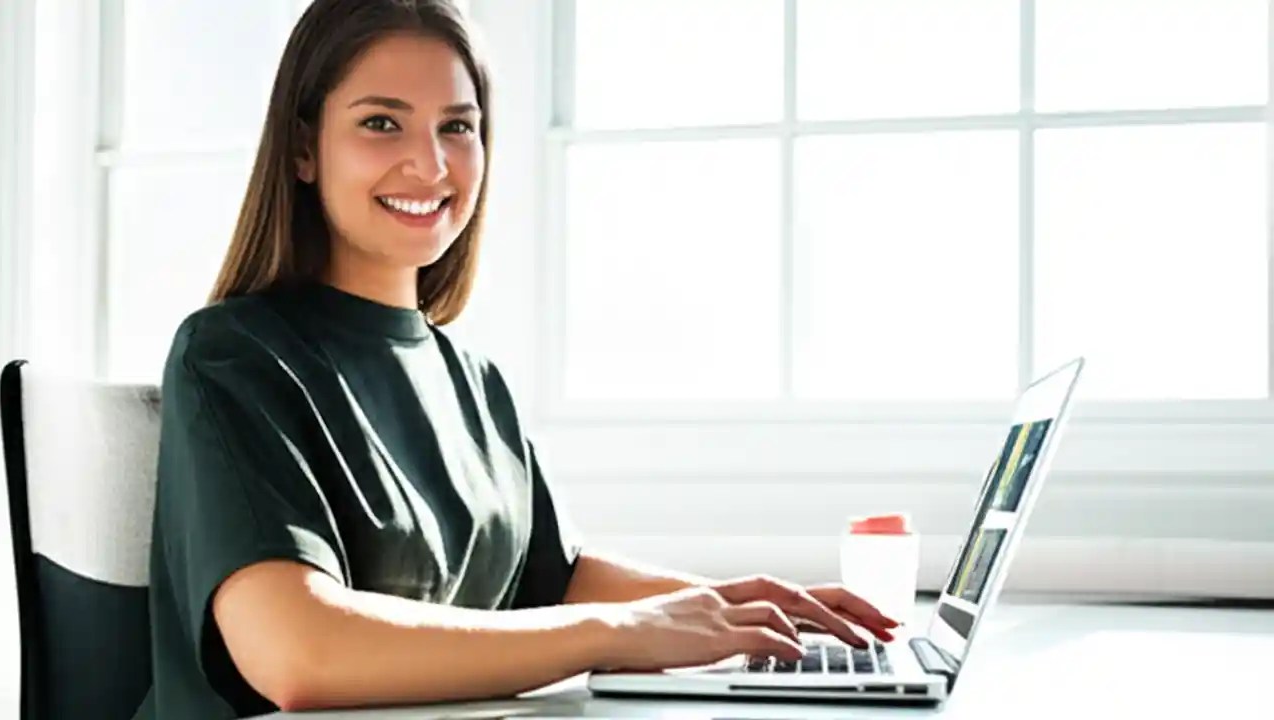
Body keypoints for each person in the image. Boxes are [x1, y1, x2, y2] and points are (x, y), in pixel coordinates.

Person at [137, 1, 898, 717]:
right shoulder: (234, 355)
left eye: (457, 128)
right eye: (381, 123)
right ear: (303, 149)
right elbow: (299, 652)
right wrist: (621, 632)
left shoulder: (475, 383)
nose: (430, 165)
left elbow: (555, 583)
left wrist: (745, 613)